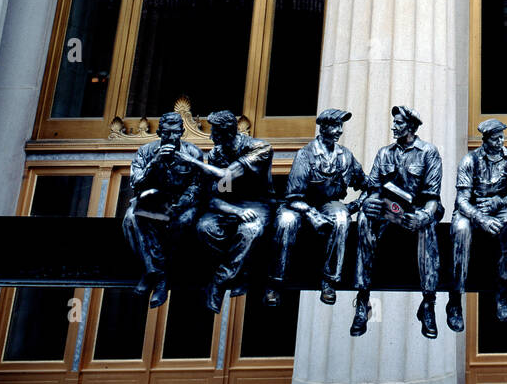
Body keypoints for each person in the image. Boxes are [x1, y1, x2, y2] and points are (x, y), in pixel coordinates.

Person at [352, 106, 444, 340]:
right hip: (389, 213)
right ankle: (363, 299)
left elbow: (433, 198)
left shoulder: (428, 153)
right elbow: (372, 188)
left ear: (411, 127)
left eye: (399, 123)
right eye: (394, 122)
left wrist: (422, 216)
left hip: (416, 213)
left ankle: (428, 304)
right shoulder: (384, 153)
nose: (394, 126)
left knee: (428, 226)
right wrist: (370, 202)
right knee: (364, 218)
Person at [266, 108, 363, 308]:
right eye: (335, 125)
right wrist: (312, 215)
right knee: (286, 221)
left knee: (342, 218)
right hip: (298, 204)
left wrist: (356, 205)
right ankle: (275, 282)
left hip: (328, 203)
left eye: (340, 126)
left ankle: (329, 281)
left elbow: (367, 183)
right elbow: (293, 196)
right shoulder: (306, 154)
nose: (339, 131)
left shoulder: (345, 156)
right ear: (323, 127)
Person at [190, 110, 275, 314]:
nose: (211, 138)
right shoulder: (217, 153)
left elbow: (228, 174)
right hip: (233, 205)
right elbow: (220, 193)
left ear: (229, 132)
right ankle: (242, 272)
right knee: (205, 227)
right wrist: (235, 210)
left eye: (216, 133)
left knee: (251, 229)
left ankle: (220, 279)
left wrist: (192, 162)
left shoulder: (259, 148)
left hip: (258, 203)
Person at [122, 111, 203, 308]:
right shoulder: (146, 151)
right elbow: (135, 182)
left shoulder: (193, 153)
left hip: (182, 203)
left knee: (183, 222)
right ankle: (157, 275)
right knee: (132, 218)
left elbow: (197, 185)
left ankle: (154, 273)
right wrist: (155, 162)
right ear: (159, 133)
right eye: (166, 133)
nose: (171, 137)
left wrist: (184, 202)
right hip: (152, 200)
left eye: (175, 133)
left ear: (182, 132)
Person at [449, 119, 507, 331]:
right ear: (485, 140)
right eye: (494, 138)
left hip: (499, 207)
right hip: (471, 210)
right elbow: (462, 200)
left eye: (502, 137)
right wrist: (480, 218)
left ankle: (503, 291)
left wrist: (499, 201)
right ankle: (455, 299)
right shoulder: (469, 161)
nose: (500, 142)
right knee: (461, 230)